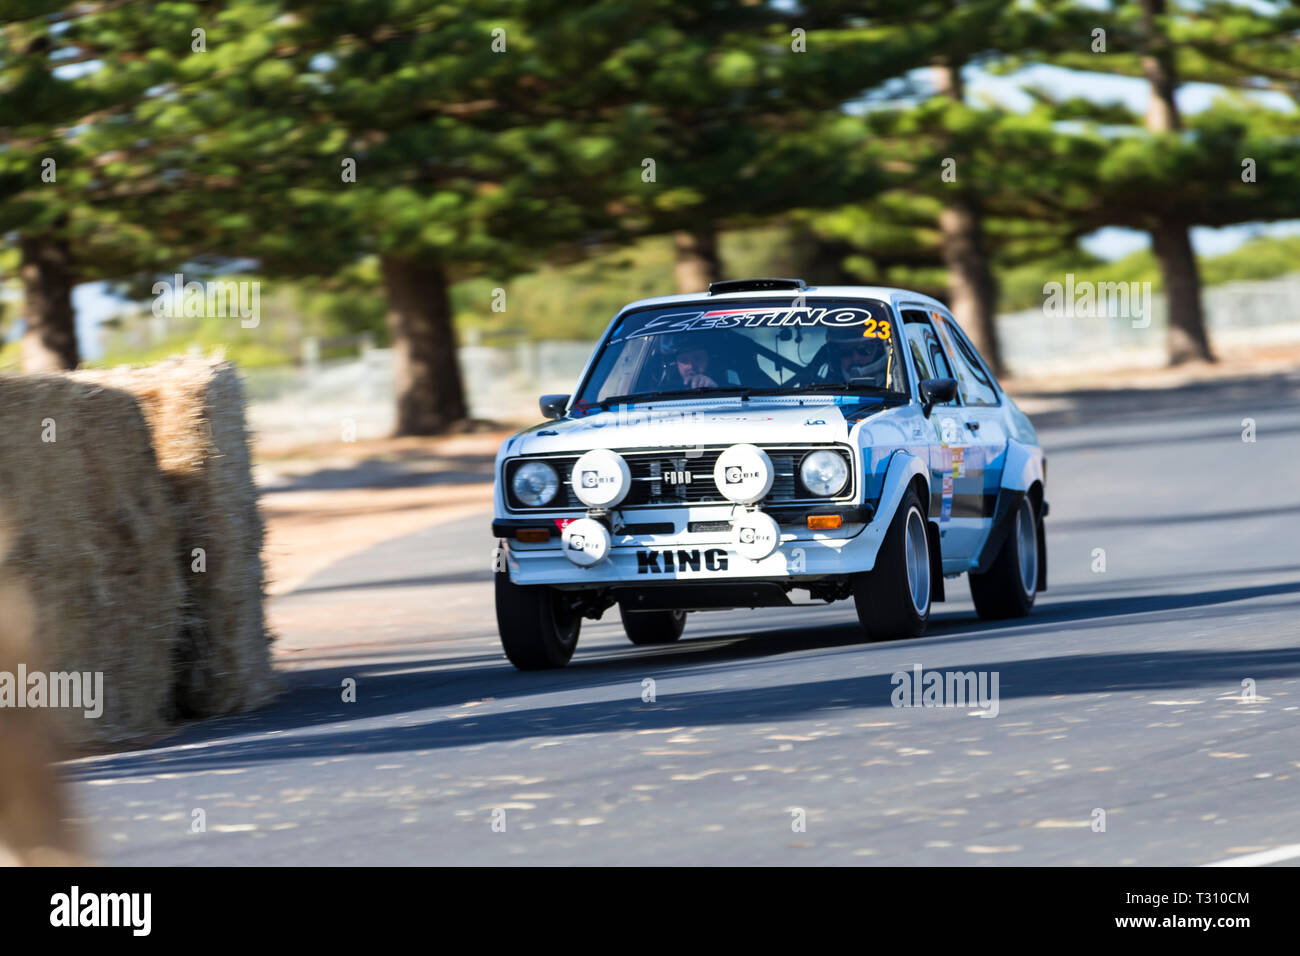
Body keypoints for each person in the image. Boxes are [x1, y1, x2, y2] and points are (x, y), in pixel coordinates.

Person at [820, 324, 890, 386]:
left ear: (880, 351)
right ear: (837, 357)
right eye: (845, 352)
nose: (855, 358)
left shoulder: (898, 385)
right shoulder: (824, 389)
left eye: (864, 350)